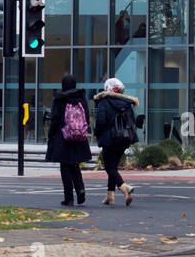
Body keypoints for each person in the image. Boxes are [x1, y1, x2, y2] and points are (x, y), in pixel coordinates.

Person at [94, 77, 141, 206]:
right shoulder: (127, 104)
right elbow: (132, 122)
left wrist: (96, 132)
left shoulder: (104, 102)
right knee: (113, 167)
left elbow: (101, 121)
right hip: (123, 139)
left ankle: (123, 186)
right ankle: (110, 196)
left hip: (109, 139)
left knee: (109, 167)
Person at [46, 74, 92, 206]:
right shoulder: (81, 98)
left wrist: (51, 135)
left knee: (65, 166)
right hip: (79, 136)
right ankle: (81, 189)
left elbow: (55, 119)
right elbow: (87, 116)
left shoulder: (60, 99)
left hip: (63, 136)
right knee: (75, 164)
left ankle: (69, 197)